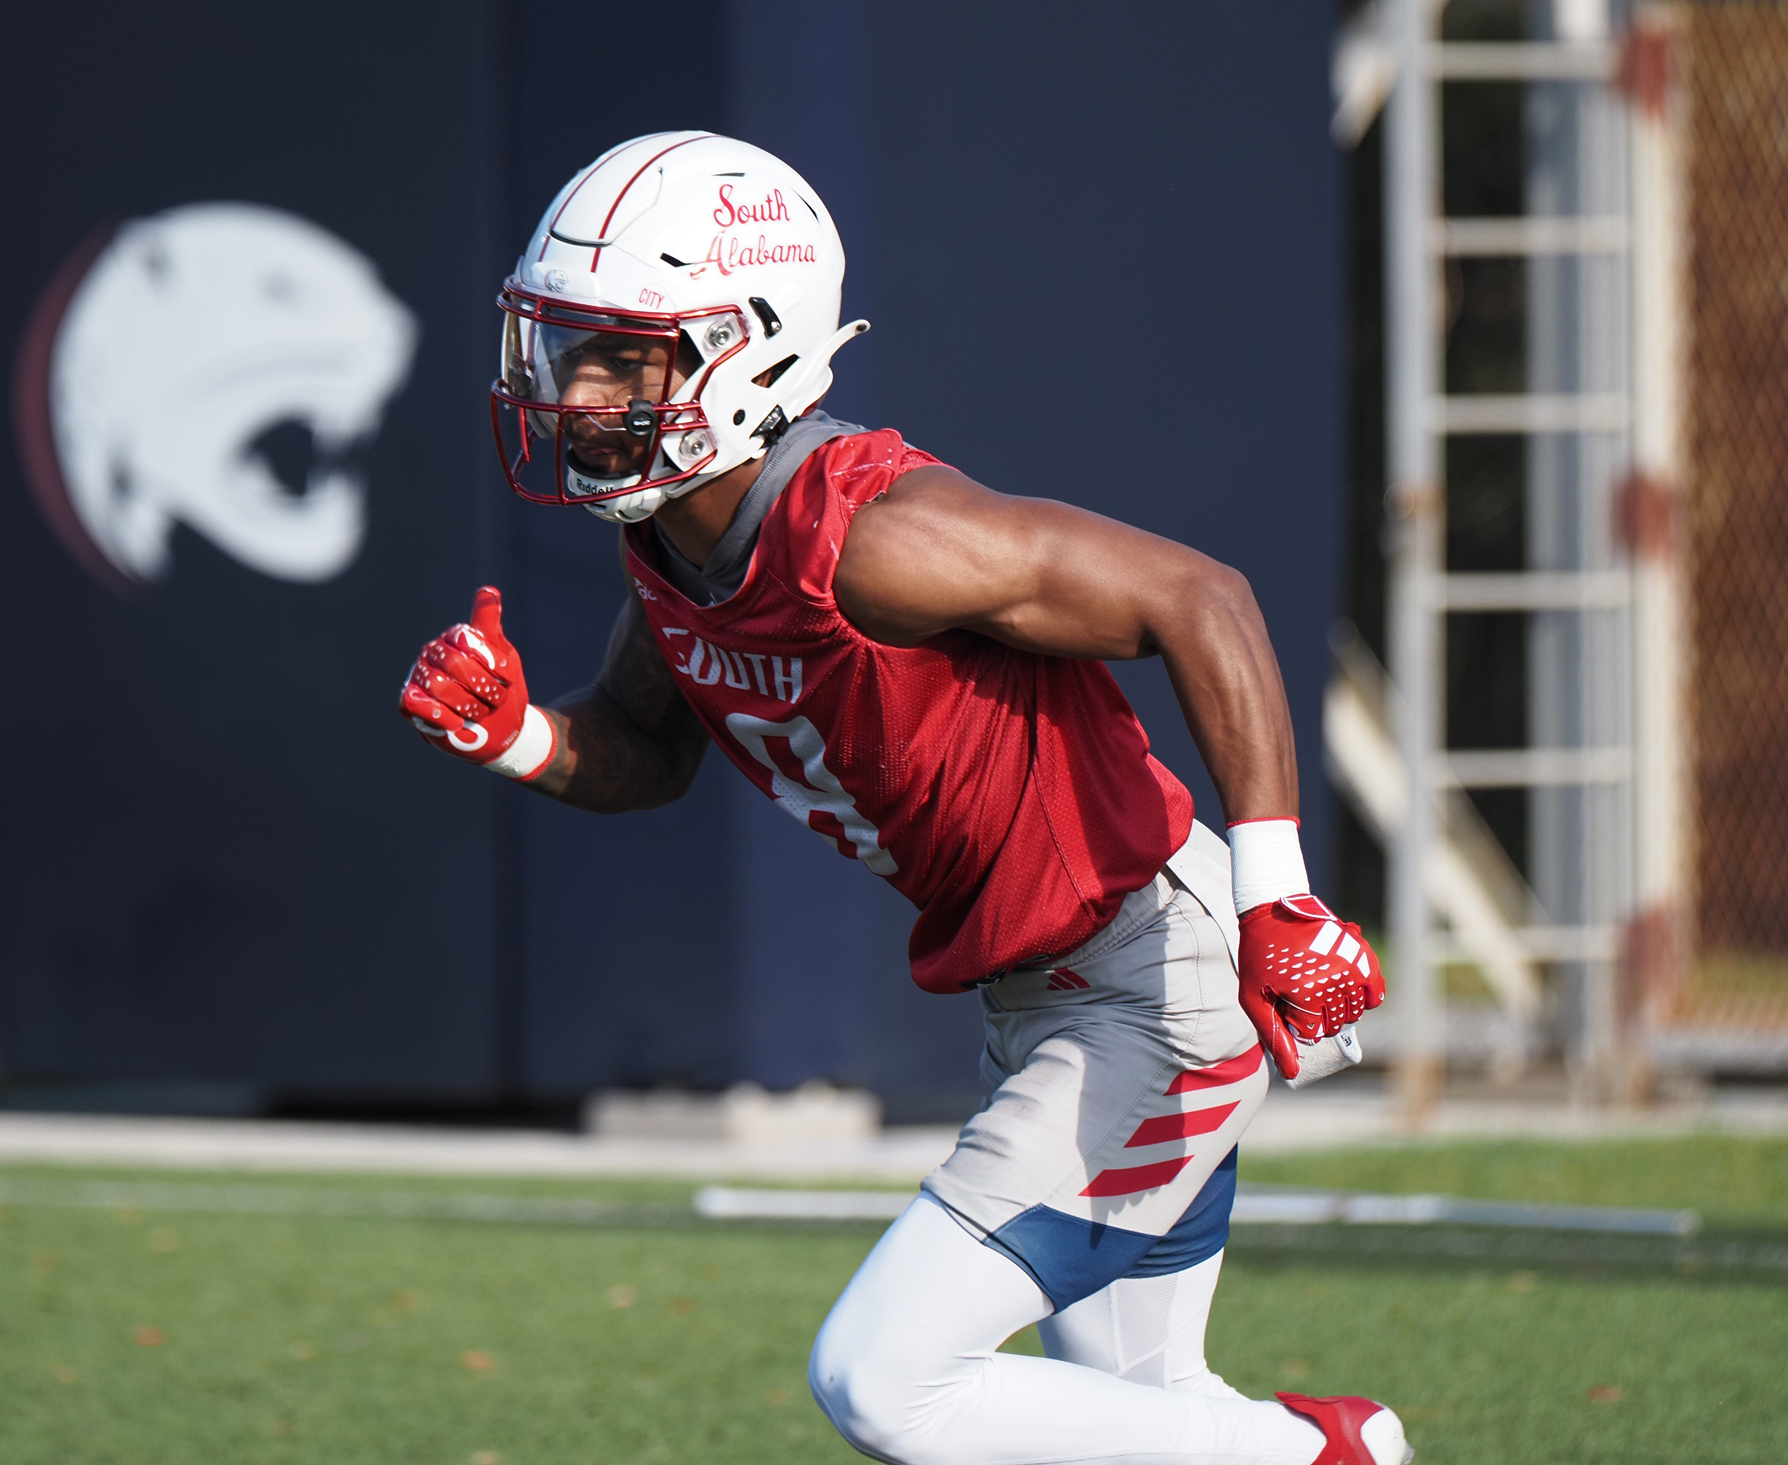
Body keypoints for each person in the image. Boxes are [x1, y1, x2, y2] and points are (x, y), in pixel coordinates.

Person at [401, 132, 1410, 1465]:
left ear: (745, 347)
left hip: (1152, 979)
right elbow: (647, 746)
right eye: (565, 350)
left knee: (887, 1379)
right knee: (1146, 1432)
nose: (576, 394)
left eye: (618, 357)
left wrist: (1279, 889)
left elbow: (1199, 594)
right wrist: (519, 735)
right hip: (1056, 994)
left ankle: (1329, 1457)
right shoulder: (672, 542)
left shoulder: (870, 534)